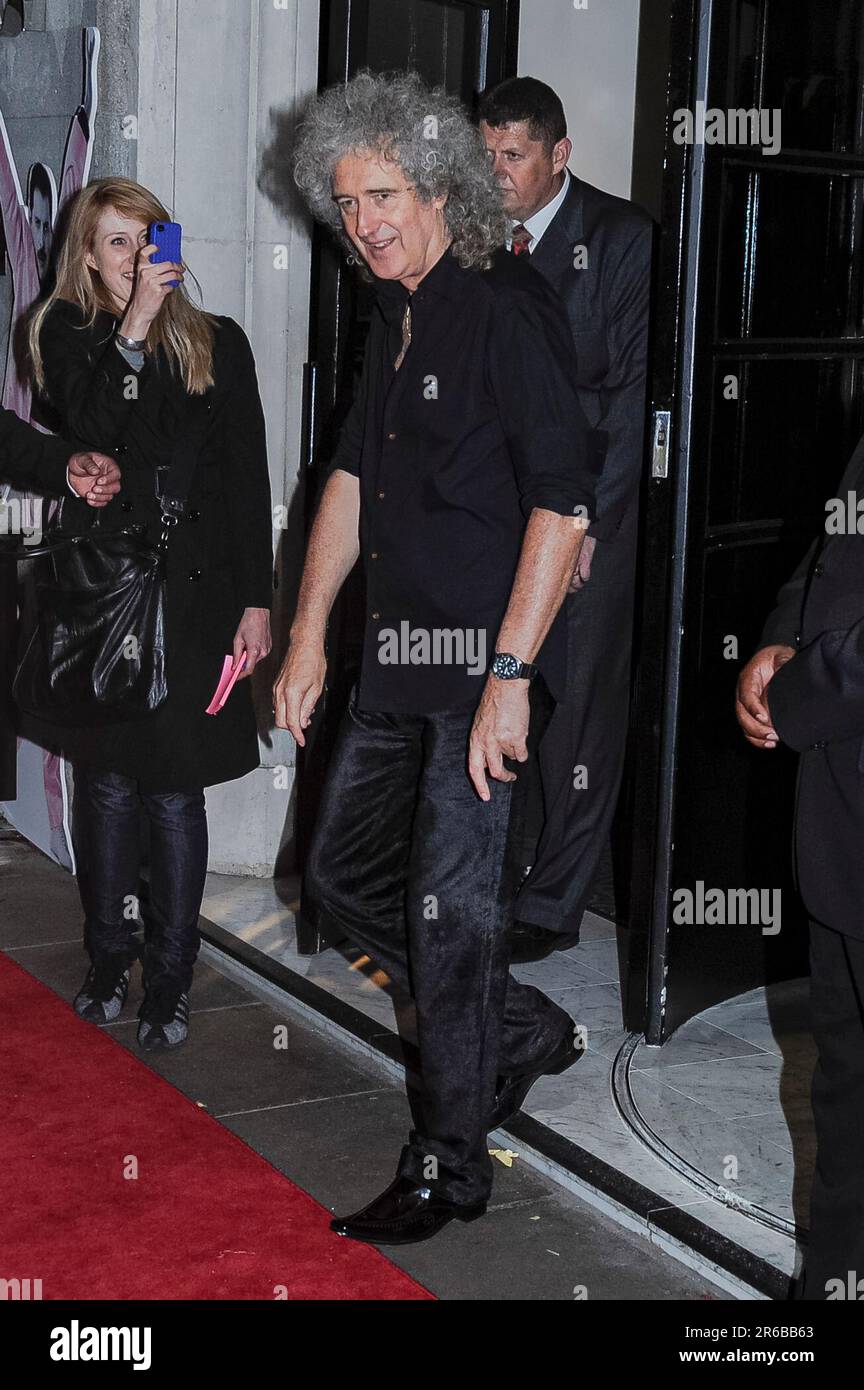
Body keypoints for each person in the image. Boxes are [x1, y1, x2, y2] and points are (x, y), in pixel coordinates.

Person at [274, 70, 596, 1246]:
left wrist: (511, 677)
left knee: (448, 922)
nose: (365, 220)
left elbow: (563, 501)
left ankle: (451, 1163)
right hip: (392, 664)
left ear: (442, 186)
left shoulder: (509, 306)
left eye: (387, 192)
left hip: (479, 669)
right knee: (342, 883)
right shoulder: (389, 312)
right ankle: (515, 1032)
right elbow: (351, 478)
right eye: (349, 198)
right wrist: (310, 630)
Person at [24, 176, 273, 1050]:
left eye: (149, 240)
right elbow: (93, 425)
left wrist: (258, 599)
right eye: (117, 243)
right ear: (88, 255)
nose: (135, 260)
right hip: (105, 592)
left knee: (173, 793)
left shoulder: (218, 343)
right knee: (107, 783)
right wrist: (131, 328)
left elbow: (247, 478)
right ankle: (106, 954)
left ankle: (170, 975)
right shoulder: (61, 333)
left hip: (199, 598)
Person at [478, 77, 653, 959]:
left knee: (579, 712)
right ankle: (493, 876)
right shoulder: (477, 243)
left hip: (590, 518)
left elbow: (631, 406)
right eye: (487, 153)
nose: (497, 171)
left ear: (559, 155)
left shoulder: (620, 241)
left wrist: (584, 530)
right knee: (502, 696)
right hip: (499, 515)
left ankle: (553, 904)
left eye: (513, 156)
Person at [736, 432, 864, 1299]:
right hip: (844, 824)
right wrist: (779, 642)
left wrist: (800, 694)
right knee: (846, 1095)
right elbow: (834, 547)